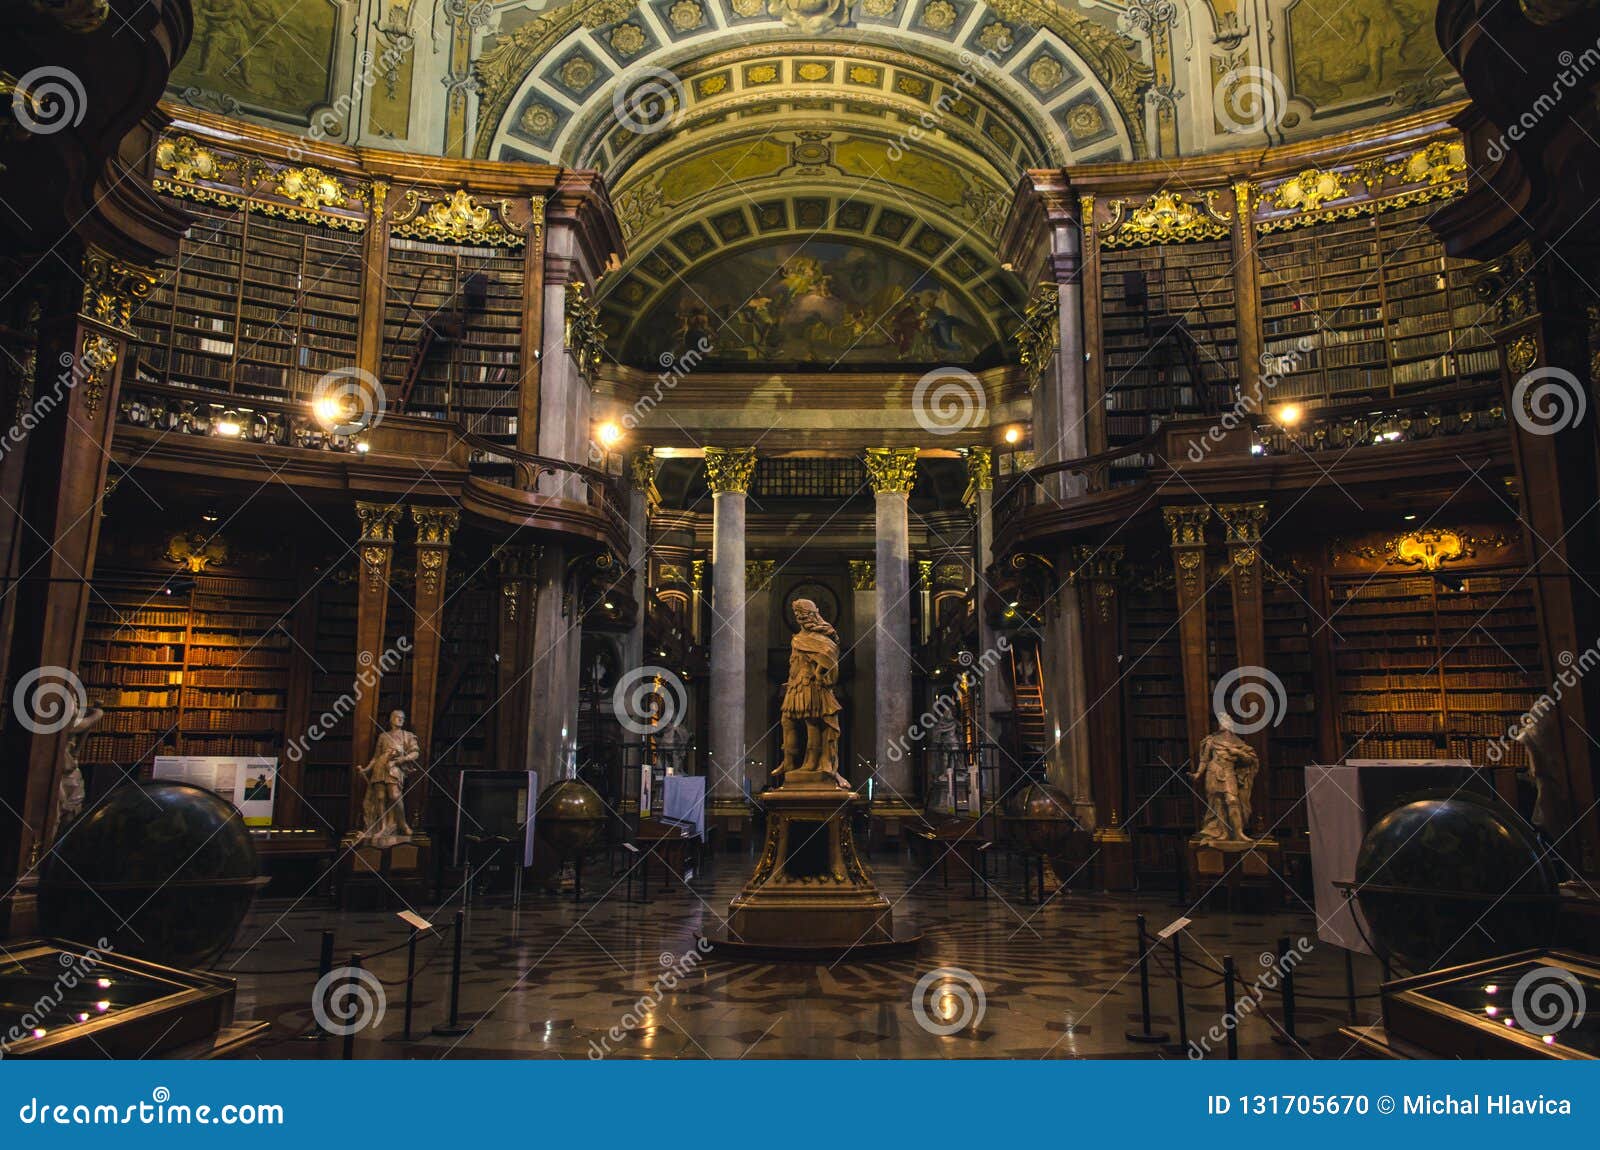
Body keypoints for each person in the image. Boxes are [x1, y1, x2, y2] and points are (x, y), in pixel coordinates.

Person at [771, 598, 846, 788]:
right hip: (796, 684)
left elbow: (829, 658)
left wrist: (820, 672)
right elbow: (796, 663)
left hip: (810, 685)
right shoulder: (797, 638)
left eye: (801, 614)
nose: (798, 618)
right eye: (796, 614)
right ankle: (789, 761)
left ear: (812, 614)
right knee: (787, 720)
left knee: (812, 723)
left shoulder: (818, 639)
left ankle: (812, 763)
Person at [1191, 712, 1259, 842]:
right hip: (1213, 772)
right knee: (1218, 803)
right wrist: (1197, 774)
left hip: (1228, 773)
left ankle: (1239, 833)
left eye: (1225, 721)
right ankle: (1223, 833)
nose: (1221, 723)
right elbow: (1204, 760)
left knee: (1232, 801)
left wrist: (1237, 752)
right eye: (1220, 721)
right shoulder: (1211, 740)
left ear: (1231, 724)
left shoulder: (1239, 742)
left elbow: (1250, 760)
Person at [358, 708, 420, 847]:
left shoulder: (408, 735)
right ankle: (383, 827)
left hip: (394, 767)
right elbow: (375, 757)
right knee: (380, 797)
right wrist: (366, 769)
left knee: (394, 795)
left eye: (403, 718)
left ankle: (402, 824)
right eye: (397, 717)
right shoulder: (383, 736)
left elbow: (415, 753)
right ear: (391, 719)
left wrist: (401, 760)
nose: (400, 719)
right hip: (380, 767)